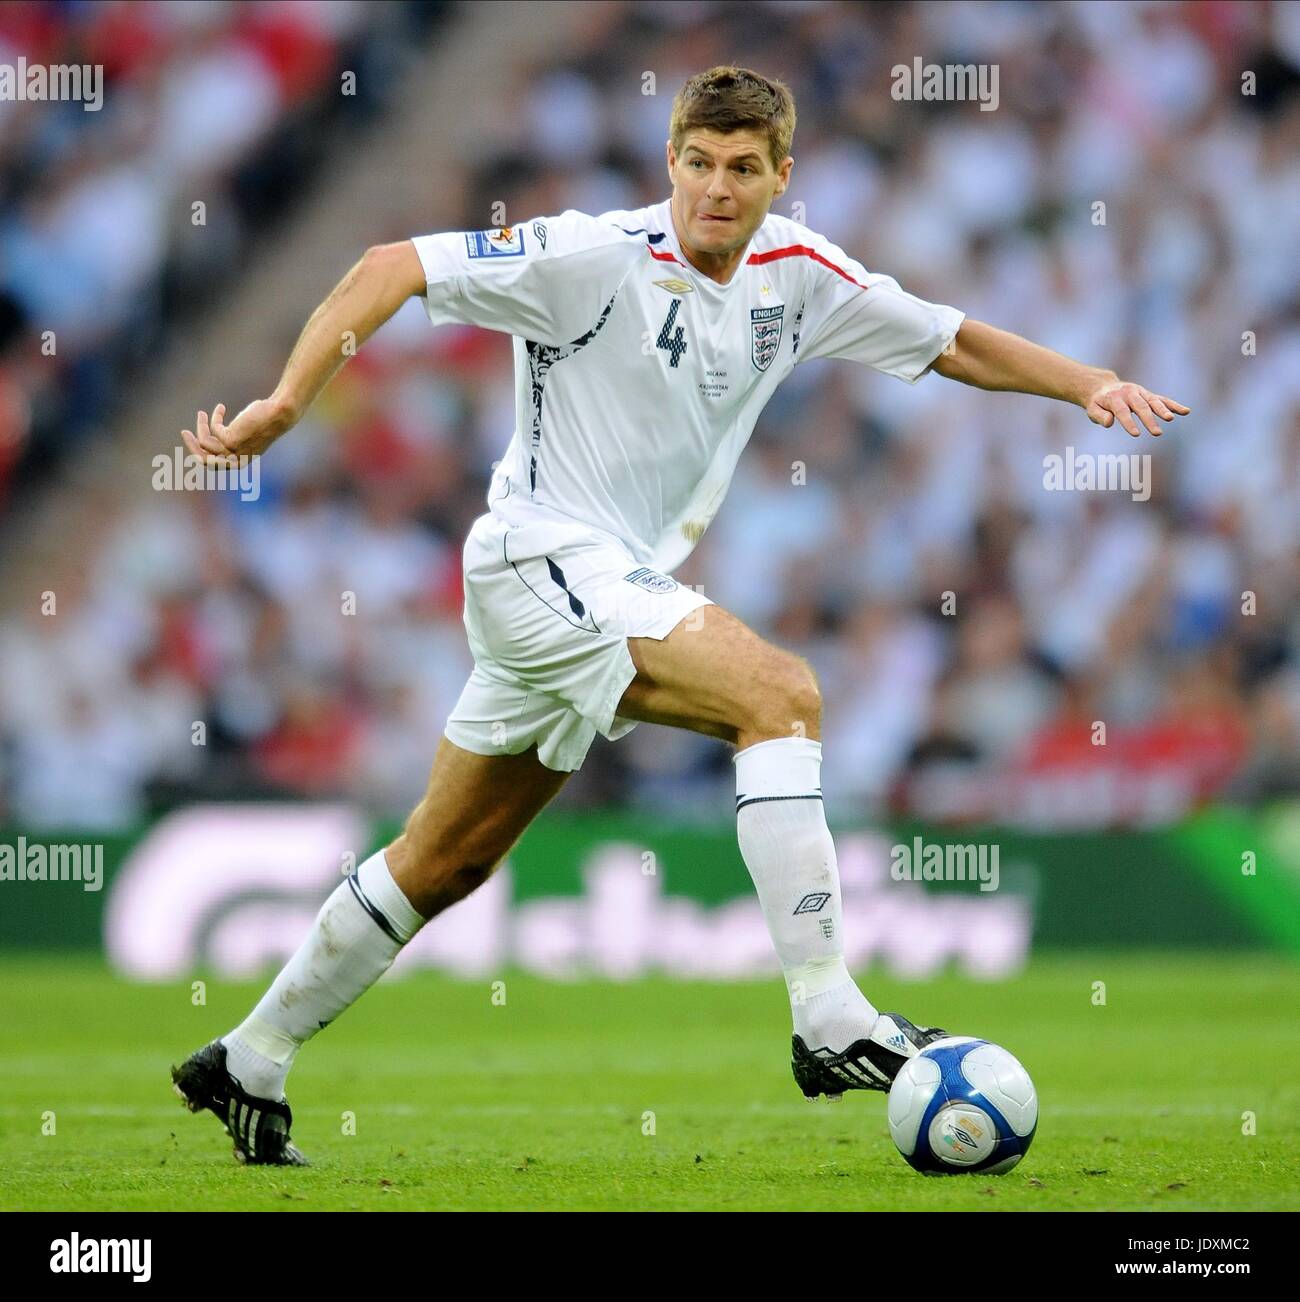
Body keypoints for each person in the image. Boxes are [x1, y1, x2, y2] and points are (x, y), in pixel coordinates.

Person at [174, 66, 1188, 1165]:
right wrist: (286, 399)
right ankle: (826, 1013)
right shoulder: (589, 258)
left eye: (742, 168)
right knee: (780, 696)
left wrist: (1085, 382)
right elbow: (391, 266)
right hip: (541, 560)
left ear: (779, 177)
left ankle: (250, 1058)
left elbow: (949, 339)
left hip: (597, 590)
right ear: (670, 163)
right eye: (697, 163)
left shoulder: (799, 272)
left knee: (445, 859)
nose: (715, 187)